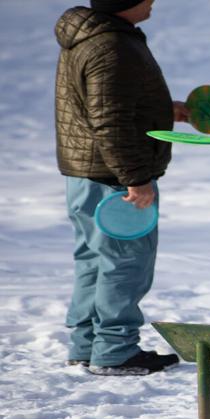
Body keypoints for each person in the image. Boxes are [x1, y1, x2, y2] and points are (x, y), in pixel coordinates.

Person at [56, 0, 188, 376]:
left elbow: (103, 103)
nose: (152, 1)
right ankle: (115, 350)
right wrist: (135, 178)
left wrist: (162, 108)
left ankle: (86, 345)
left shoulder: (90, 37)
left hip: (85, 172)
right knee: (126, 261)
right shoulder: (111, 46)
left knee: (94, 259)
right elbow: (109, 120)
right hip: (114, 177)